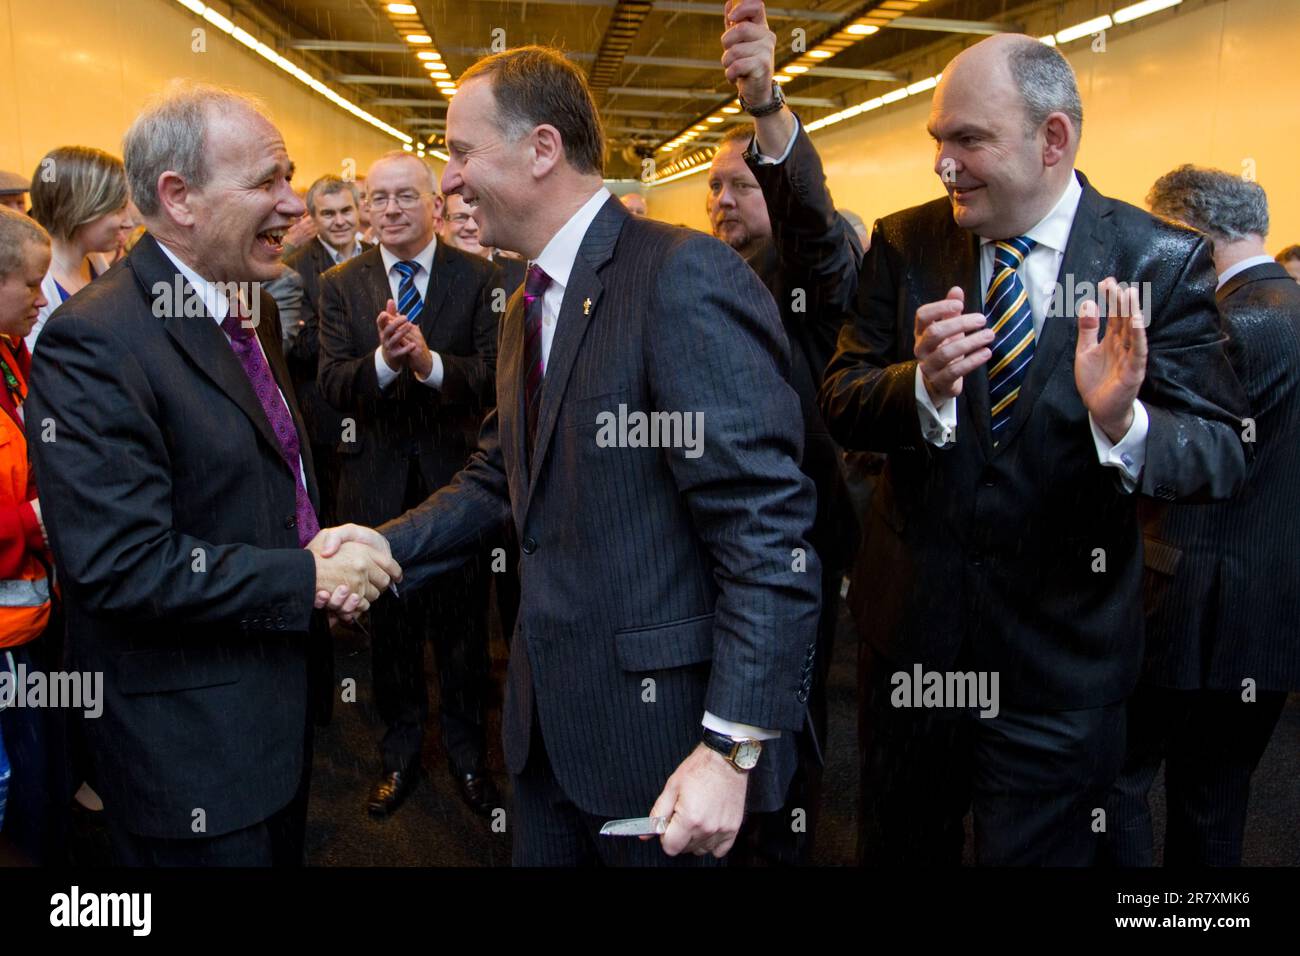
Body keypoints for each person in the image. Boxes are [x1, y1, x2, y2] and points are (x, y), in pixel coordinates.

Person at [321, 45, 821, 866]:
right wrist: (387, 543)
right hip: (547, 731)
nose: (447, 181)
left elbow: (769, 534)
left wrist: (733, 746)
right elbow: (500, 474)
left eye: (459, 152)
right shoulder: (528, 300)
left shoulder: (679, 276)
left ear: (542, 149)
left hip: (669, 752)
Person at [819, 34, 1249, 866]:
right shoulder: (906, 244)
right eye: (937, 141)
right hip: (914, 647)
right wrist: (920, 388)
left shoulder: (1154, 259)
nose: (943, 165)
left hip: (1062, 670)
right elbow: (841, 399)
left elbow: (1222, 453)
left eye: (968, 140)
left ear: (1053, 139)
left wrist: (1125, 424)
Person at [25, 81, 399, 866]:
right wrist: (305, 580)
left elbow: (264, 481)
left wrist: (314, 562)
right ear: (179, 197)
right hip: (189, 750)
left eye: (289, 177)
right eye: (268, 181)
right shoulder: (94, 341)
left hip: (275, 711)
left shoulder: (246, 303)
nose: (295, 205)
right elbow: (120, 565)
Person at [1106, 166, 1300, 866]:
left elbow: (1170, 456)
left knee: (1119, 782)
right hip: (1272, 609)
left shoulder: (1228, 326)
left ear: (1187, 233)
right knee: (1216, 797)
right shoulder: (1289, 305)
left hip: (1189, 600)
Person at [706, 0, 861, 864]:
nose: (723, 199)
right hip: (718, 533)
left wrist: (768, 105)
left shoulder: (808, 268)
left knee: (791, 703)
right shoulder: (708, 271)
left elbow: (812, 229)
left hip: (796, 535)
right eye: (717, 187)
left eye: (742, 184)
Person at [317, 151, 502, 819]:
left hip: (460, 495)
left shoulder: (481, 278)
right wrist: (383, 362)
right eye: (379, 198)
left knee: (462, 642)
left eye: (404, 197)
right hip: (375, 492)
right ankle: (397, 758)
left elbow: (490, 377)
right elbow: (333, 387)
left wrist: (427, 364)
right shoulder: (342, 284)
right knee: (390, 644)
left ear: (434, 205)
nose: (390, 209)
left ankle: (469, 759)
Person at [0, 207, 55, 864]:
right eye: (30, 285)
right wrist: (40, 519)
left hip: (27, 621)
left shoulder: (14, 356)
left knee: (28, 774)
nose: (43, 299)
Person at [283, 175, 370, 526]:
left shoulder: (380, 259)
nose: (339, 221)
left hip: (372, 404)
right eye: (328, 213)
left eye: (346, 210)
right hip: (324, 412)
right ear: (313, 219)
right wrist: (345, 311)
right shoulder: (295, 269)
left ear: (358, 210)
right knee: (334, 510)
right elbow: (301, 348)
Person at [25, 146, 129, 349]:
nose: (126, 222)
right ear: (82, 208)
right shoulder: (40, 284)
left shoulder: (95, 262)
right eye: (117, 209)